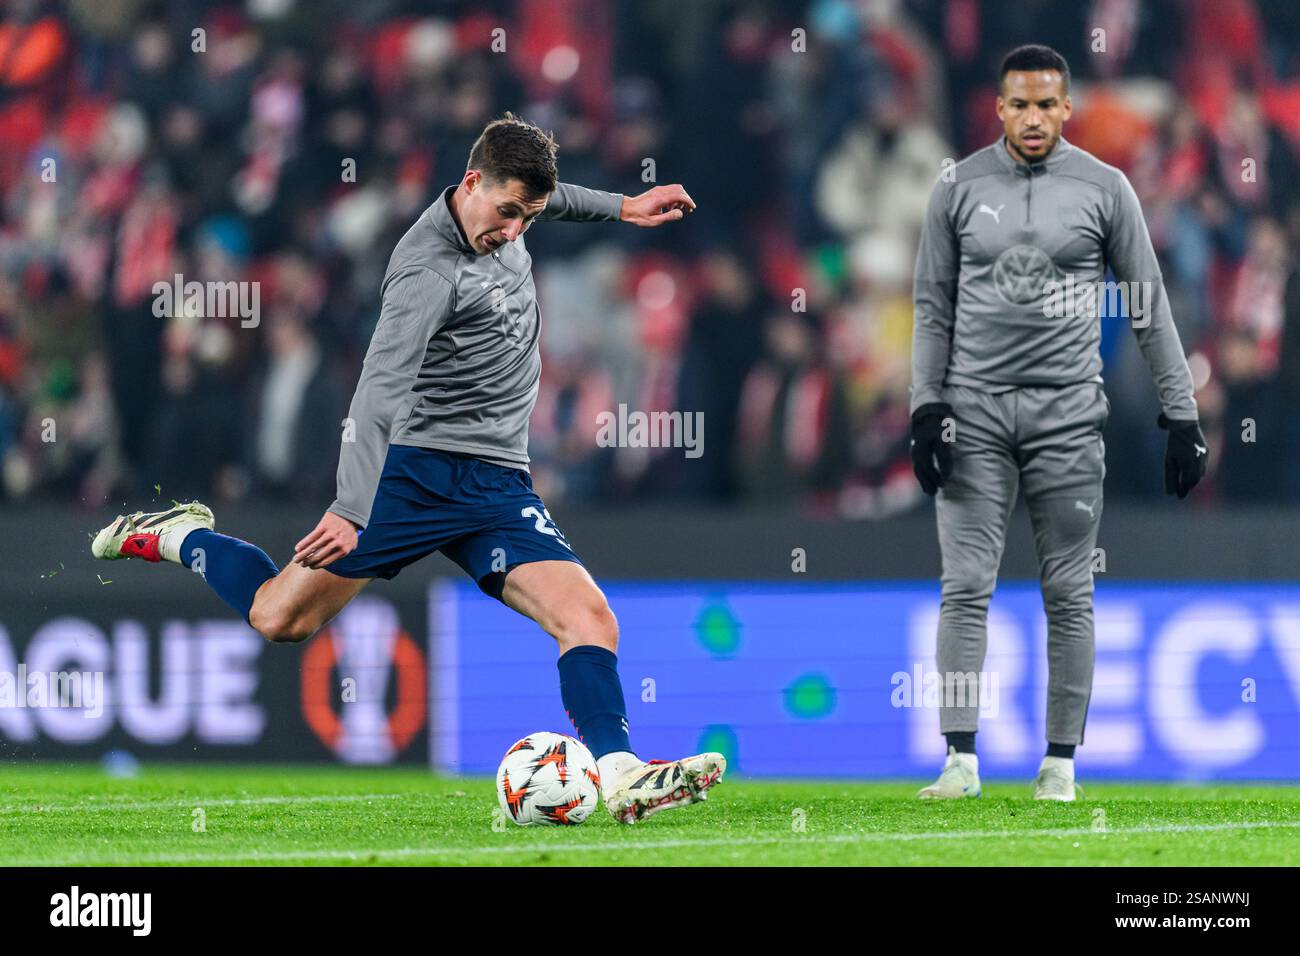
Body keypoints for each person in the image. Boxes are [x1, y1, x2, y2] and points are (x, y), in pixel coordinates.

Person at [92, 113, 724, 824]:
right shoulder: (427, 270)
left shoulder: (504, 209)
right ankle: (181, 535)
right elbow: (378, 393)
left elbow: (549, 197)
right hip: (413, 477)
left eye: (529, 216)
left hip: (495, 483)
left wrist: (621, 206)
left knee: (589, 617)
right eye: (508, 213)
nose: (515, 231)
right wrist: (351, 505)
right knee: (279, 618)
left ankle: (620, 775)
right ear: (471, 183)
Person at [909, 46, 1206, 801]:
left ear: (1068, 108)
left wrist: (1182, 414)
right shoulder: (956, 187)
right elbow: (932, 307)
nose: (1033, 118)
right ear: (998, 109)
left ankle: (1060, 763)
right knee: (964, 586)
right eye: (1019, 104)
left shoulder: (1106, 188)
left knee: (1069, 592)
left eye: (1047, 104)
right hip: (971, 414)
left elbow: (1148, 305)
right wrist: (926, 408)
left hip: (1069, 417)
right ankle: (960, 762)